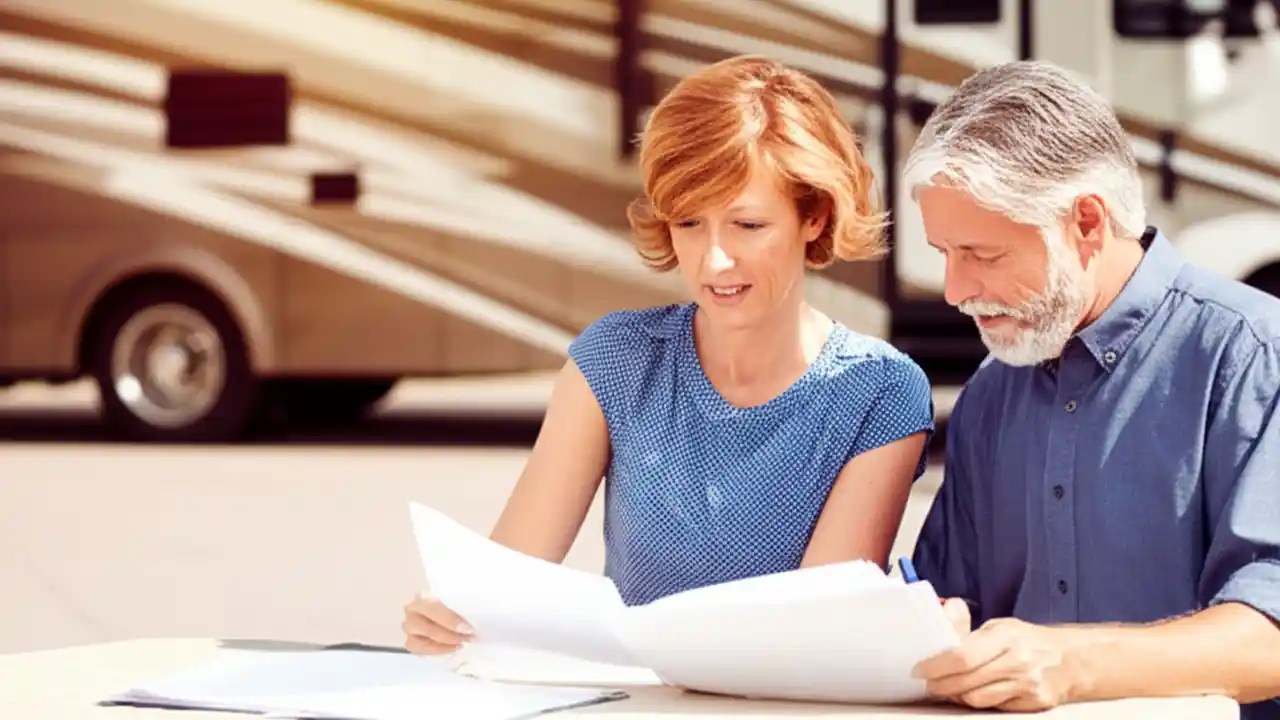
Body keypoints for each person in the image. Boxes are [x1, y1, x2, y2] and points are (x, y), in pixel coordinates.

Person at [401, 54, 934, 655]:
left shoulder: (880, 391)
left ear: (814, 216)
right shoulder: (615, 360)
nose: (714, 261)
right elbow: (507, 586)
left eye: (748, 225)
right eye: (688, 223)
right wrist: (455, 619)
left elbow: (816, 637)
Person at [905, 60, 1280, 717]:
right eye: (944, 253)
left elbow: (1268, 639)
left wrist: (1072, 665)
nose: (955, 291)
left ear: (1086, 222)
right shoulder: (989, 395)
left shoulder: (1253, 356)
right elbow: (947, 606)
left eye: (982, 254)